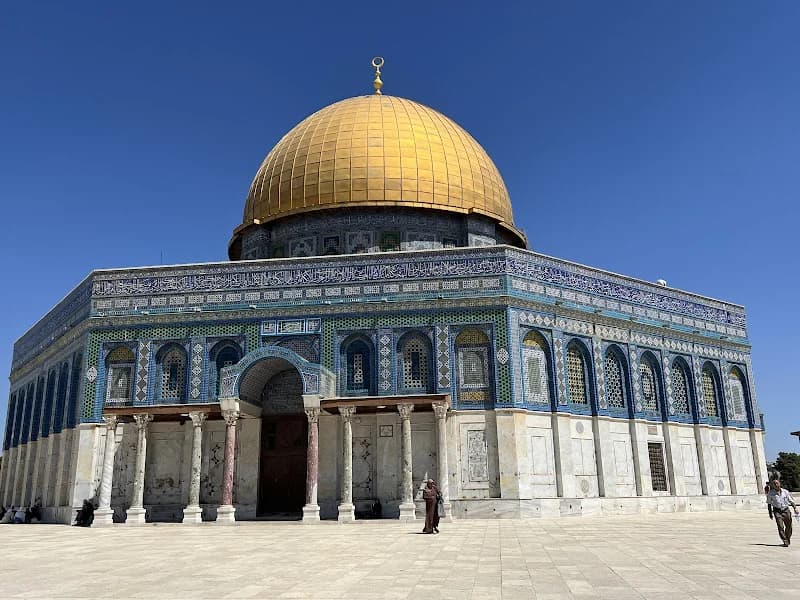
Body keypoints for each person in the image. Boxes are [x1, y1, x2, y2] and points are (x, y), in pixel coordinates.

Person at [766, 478, 799, 547]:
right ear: (773, 485)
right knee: (780, 526)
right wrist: (770, 513)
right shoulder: (771, 493)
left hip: (786, 510)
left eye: (777, 483)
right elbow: (769, 503)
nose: (776, 485)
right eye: (774, 484)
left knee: (789, 526)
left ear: (780, 484)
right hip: (777, 511)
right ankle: (785, 540)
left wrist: (795, 508)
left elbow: (791, 501)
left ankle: (787, 538)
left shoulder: (785, 492)